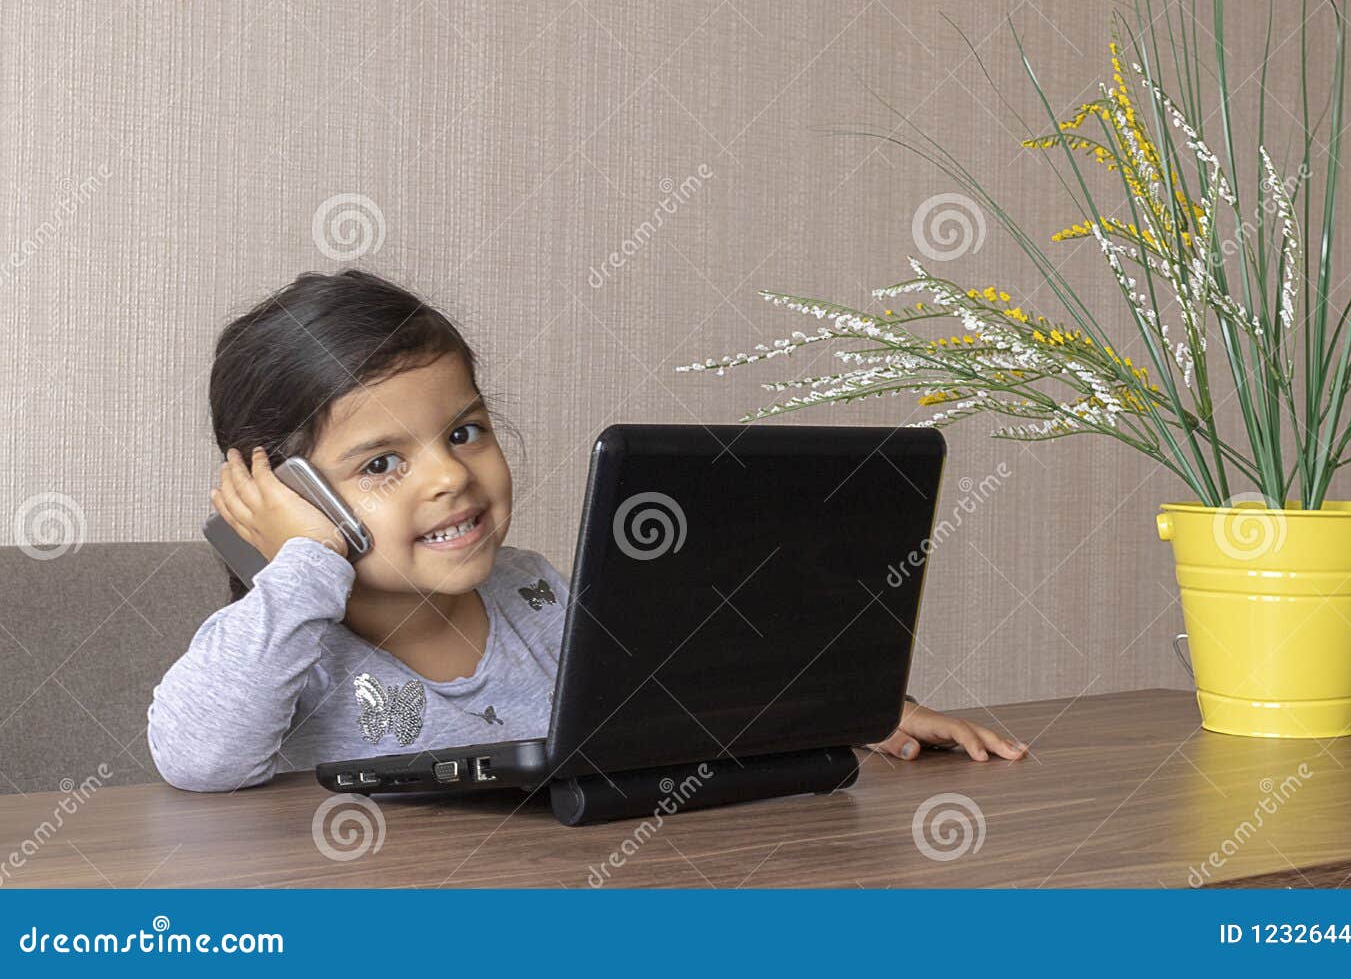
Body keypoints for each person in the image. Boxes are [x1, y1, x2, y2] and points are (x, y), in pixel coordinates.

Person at [147, 269, 1027, 792]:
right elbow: (197, 759)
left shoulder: (530, 588)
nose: (451, 474)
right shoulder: (280, 640)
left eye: (463, 431)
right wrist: (301, 560)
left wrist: (850, 713)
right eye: (382, 462)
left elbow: (666, 699)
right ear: (283, 493)